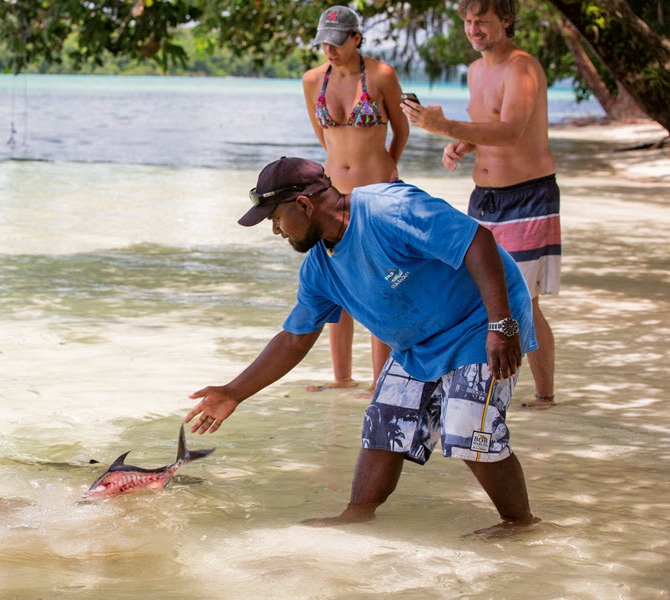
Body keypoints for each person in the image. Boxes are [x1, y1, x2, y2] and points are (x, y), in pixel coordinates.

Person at [185, 157, 540, 529]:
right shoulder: (319, 269)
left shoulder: (389, 209)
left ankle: (521, 524)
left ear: (304, 205)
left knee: (467, 426)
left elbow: (475, 240)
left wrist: (501, 325)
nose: (276, 231)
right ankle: (357, 514)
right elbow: (295, 338)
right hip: (418, 342)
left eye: (276, 219)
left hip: (481, 319)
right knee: (384, 421)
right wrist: (234, 392)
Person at [400, 0, 559, 410]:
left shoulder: (523, 67)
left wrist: (442, 126)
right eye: (468, 22)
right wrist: (462, 144)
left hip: (528, 196)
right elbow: (488, 127)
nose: (473, 29)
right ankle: (481, 387)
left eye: (482, 21)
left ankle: (544, 395)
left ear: (505, 22)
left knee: (523, 296)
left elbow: (510, 132)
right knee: (480, 292)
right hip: (484, 198)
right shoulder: (475, 70)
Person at [301, 5, 409, 392]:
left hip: (377, 191)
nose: (328, 50)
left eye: (336, 42)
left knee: (381, 286)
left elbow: (401, 129)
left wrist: (386, 167)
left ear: (356, 38)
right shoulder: (313, 79)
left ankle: (381, 381)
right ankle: (342, 378)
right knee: (338, 285)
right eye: (322, 43)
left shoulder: (381, 75)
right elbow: (323, 135)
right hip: (332, 194)